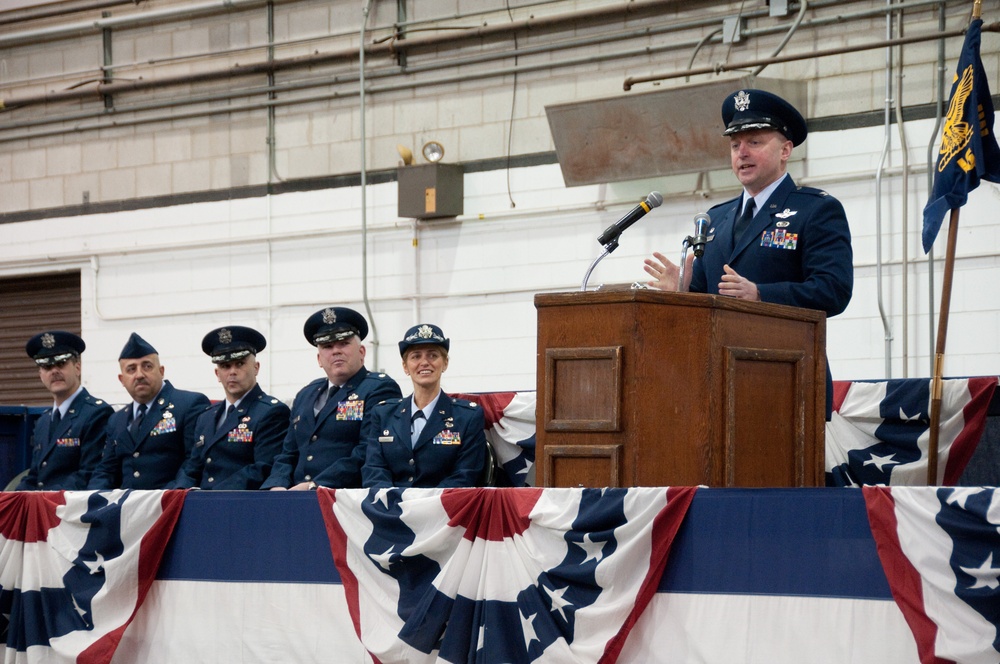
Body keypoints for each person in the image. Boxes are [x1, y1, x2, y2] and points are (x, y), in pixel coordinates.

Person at [643, 89, 853, 417]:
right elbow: (707, 305)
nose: (742, 153)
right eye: (735, 145)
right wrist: (681, 294)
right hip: (719, 388)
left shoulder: (815, 210)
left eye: (755, 142)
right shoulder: (715, 219)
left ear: (785, 150)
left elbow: (833, 291)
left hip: (787, 384)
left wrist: (760, 295)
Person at [261, 307, 402, 490]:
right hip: (296, 496)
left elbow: (368, 450)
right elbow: (288, 452)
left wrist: (316, 485)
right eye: (328, 346)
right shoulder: (306, 394)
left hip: (342, 498)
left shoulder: (378, 388)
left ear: (362, 352)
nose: (336, 351)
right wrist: (277, 484)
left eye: (343, 343)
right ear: (319, 359)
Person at [362, 324, 487, 489]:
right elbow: (374, 469)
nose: (424, 363)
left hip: (444, 509)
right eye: (415, 356)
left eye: (433, 355)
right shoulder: (384, 413)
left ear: (445, 363)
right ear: (405, 366)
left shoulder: (468, 417)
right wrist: (393, 502)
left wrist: (425, 506)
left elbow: (465, 475)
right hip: (391, 508)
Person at [169, 326, 290, 490]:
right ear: (217, 374)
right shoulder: (206, 417)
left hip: (241, 502)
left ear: (256, 368)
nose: (232, 372)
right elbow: (193, 466)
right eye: (225, 366)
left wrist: (213, 493)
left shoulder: (271, 412)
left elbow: (263, 467)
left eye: (240, 364)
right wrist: (179, 491)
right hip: (201, 502)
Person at [88, 332, 211, 490]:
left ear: (161, 371)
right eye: (131, 369)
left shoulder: (188, 404)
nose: (139, 375)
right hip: (126, 507)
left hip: (170, 504)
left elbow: (192, 463)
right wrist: (91, 500)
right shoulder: (116, 419)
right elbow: (106, 470)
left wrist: (164, 498)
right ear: (121, 379)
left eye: (147, 366)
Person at [16, 331, 114, 490]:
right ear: (41, 375)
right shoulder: (43, 421)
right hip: (44, 507)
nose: (54, 371)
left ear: (77, 368)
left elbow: (89, 474)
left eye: (61, 364)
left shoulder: (97, 413)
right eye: (47, 366)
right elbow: (35, 475)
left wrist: (45, 499)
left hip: (74, 509)